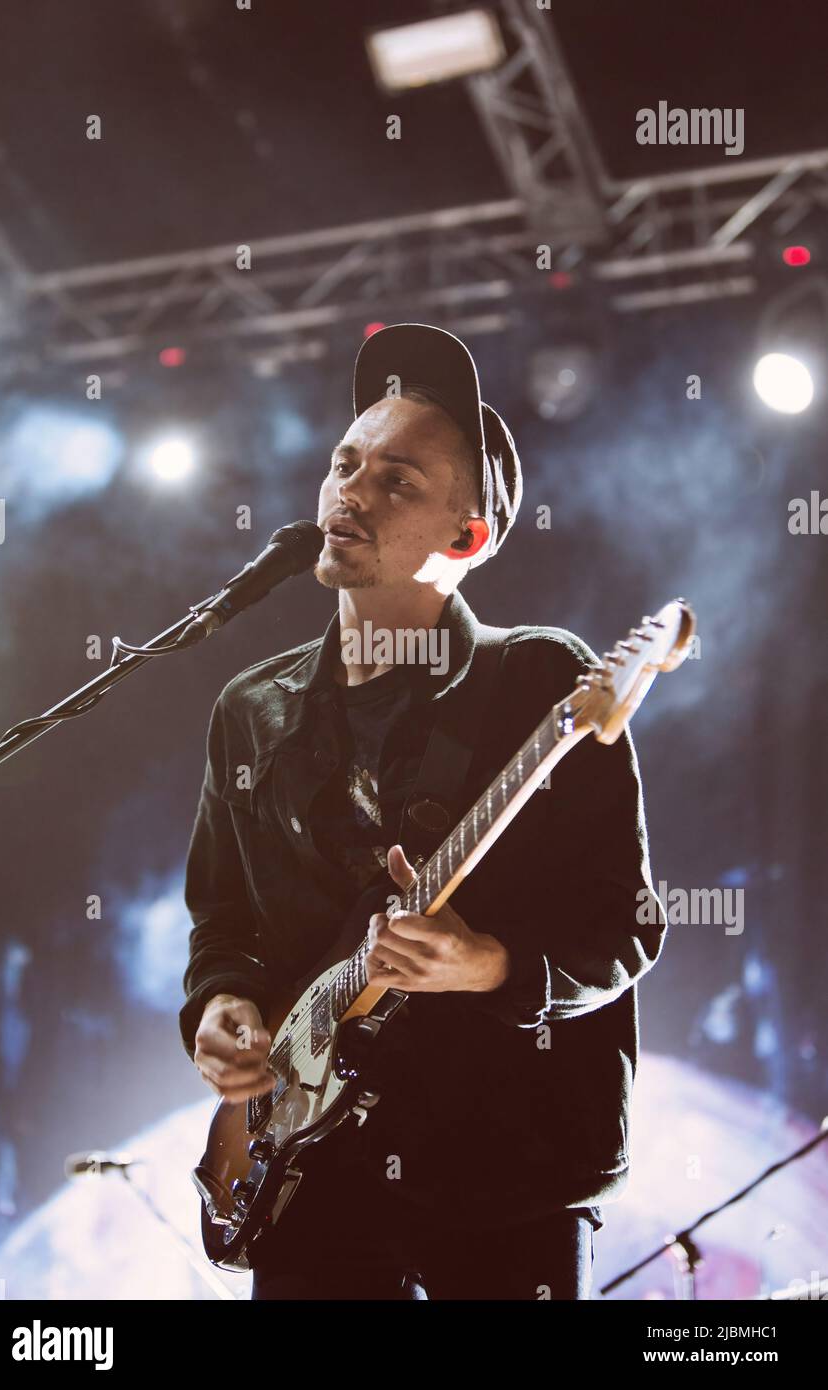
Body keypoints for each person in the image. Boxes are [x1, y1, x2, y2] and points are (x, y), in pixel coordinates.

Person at [179, 323, 667, 1300]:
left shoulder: (539, 678)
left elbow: (623, 925)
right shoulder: (251, 709)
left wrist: (488, 964)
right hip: (306, 1177)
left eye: (396, 480)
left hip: (500, 1175)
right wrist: (218, 1006)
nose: (349, 494)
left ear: (465, 536)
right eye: (345, 465)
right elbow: (223, 920)